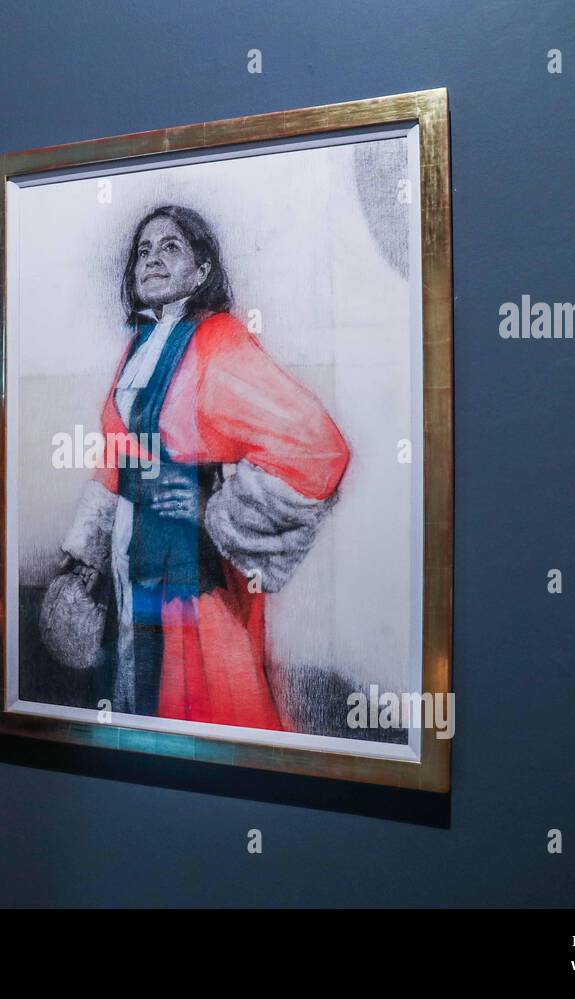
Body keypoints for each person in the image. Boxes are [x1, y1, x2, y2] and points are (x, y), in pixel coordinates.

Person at [54, 206, 351, 730]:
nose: (152, 259)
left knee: (206, 711)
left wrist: (215, 508)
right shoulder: (139, 346)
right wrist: (85, 563)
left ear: (202, 270)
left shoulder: (219, 341)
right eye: (143, 251)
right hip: (130, 569)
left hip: (194, 577)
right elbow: (115, 460)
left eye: (170, 247)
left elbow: (318, 447)